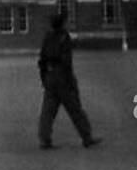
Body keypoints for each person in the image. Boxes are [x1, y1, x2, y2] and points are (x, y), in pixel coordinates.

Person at [37, 12, 101, 149]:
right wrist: (70, 81)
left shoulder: (48, 37)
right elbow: (67, 61)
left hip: (50, 75)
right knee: (75, 109)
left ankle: (44, 139)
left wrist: (44, 78)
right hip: (62, 77)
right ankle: (86, 137)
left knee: (47, 111)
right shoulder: (64, 37)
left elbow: (42, 59)